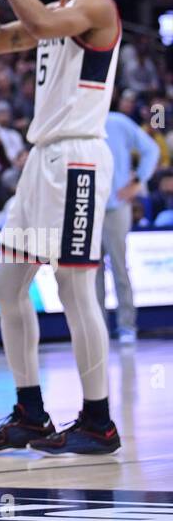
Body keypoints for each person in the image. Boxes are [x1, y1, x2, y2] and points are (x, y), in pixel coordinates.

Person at [0, 0, 122, 455]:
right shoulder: (48, 15)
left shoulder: (97, 7)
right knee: (8, 287)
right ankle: (31, 415)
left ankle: (98, 421)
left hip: (79, 157)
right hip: (43, 160)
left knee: (76, 289)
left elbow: (35, 20)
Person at [100, 104, 160, 343]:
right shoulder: (76, 121)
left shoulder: (117, 122)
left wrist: (137, 180)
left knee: (119, 267)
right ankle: (98, 329)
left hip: (115, 206)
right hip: (86, 209)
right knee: (88, 273)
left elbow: (151, 148)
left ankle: (127, 326)